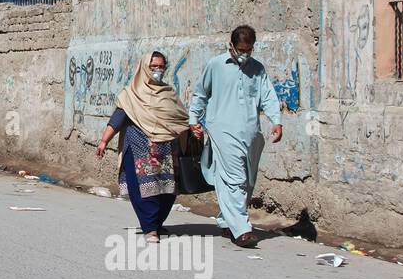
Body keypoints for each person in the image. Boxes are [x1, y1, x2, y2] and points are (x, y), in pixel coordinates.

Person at [189, 25, 283, 248]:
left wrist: (276, 121)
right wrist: (194, 120)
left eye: (248, 50)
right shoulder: (216, 65)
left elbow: (267, 95)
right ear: (231, 45)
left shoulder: (257, 69)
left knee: (248, 180)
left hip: (251, 132)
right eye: (241, 49)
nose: (244, 54)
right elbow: (201, 94)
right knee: (235, 179)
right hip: (223, 130)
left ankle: (226, 221)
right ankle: (241, 230)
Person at [96, 51, 191, 242]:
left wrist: (192, 131)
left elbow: (180, 119)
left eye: (161, 66)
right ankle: (149, 228)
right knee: (143, 189)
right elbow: (117, 119)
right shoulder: (131, 94)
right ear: (144, 67)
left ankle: (157, 223)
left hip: (166, 150)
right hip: (140, 148)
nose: (157, 70)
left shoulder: (168, 93)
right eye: (153, 66)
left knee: (167, 190)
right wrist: (104, 141)